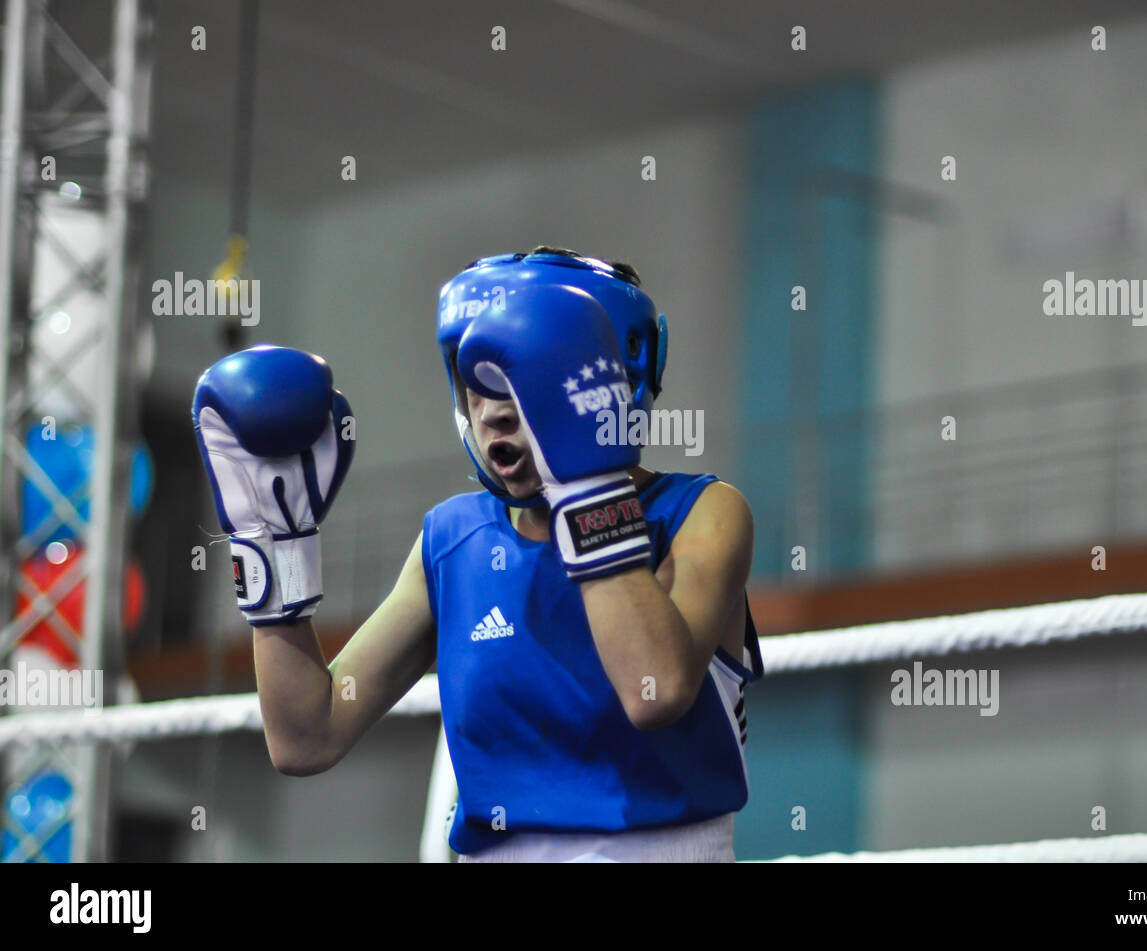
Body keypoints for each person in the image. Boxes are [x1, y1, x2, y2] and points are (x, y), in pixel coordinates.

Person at [192, 246, 762, 862]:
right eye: (474, 383)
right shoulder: (453, 539)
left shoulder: (701, 513)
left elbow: (655, 691)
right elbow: (307, 737)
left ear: (601, 382)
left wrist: (590, 483)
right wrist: (272, 548)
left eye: (517, 382)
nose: (491, 413)